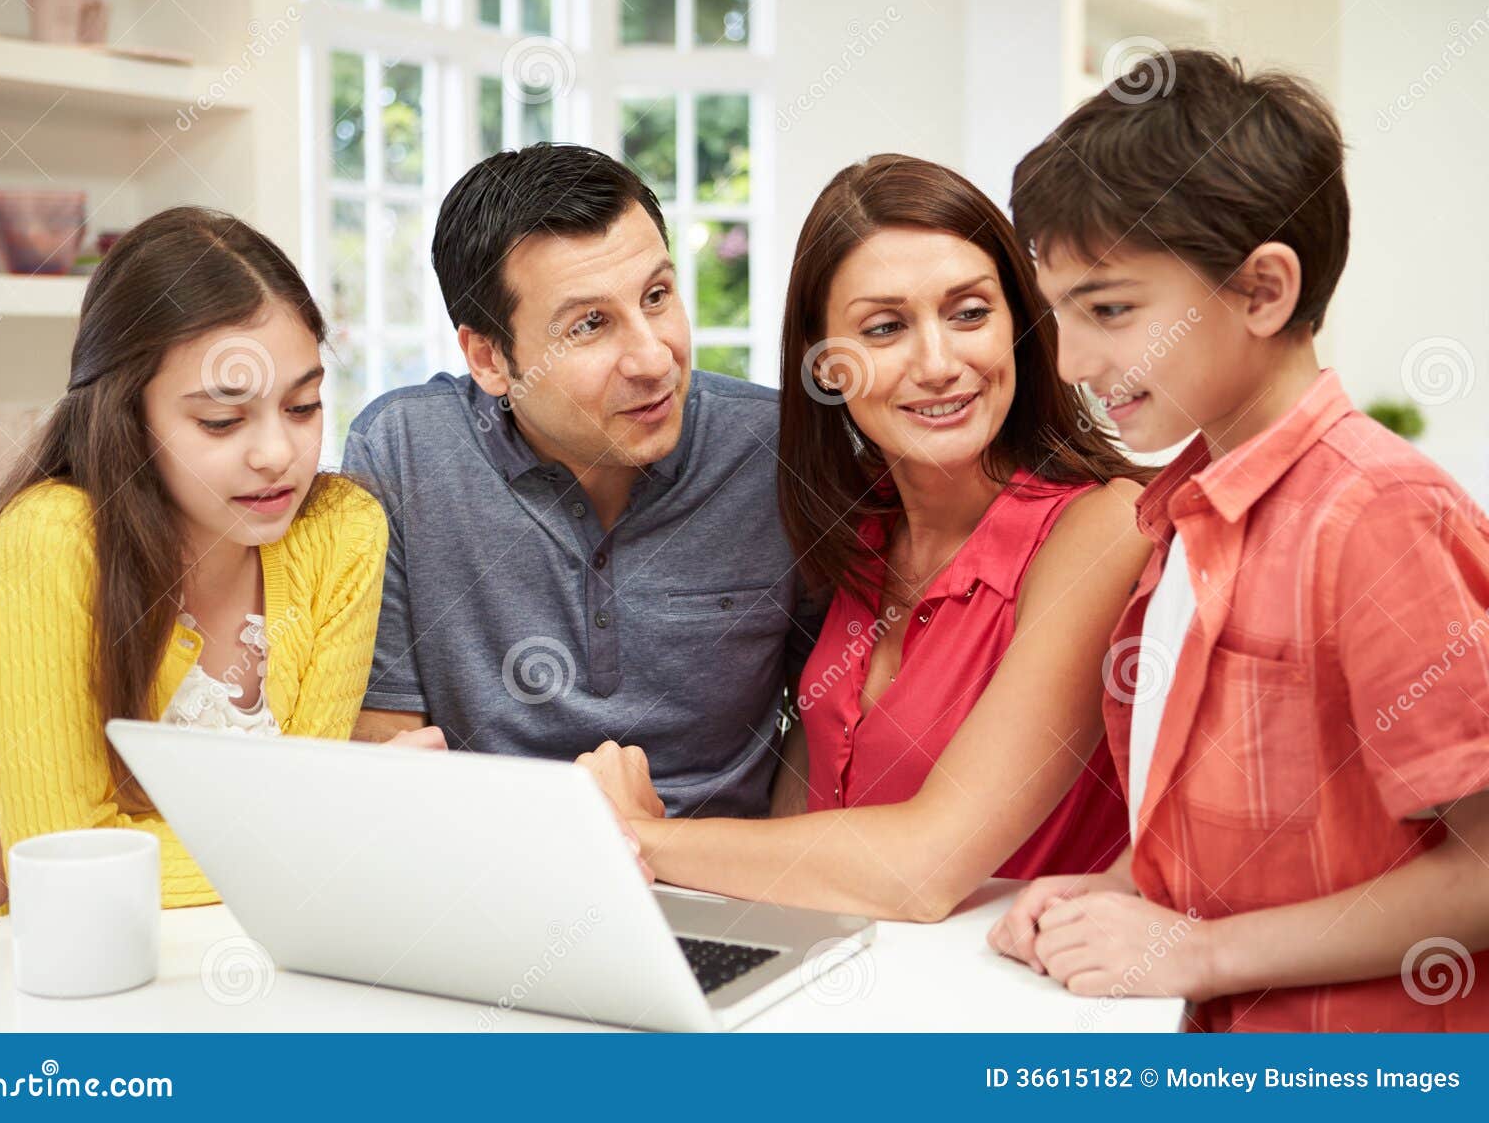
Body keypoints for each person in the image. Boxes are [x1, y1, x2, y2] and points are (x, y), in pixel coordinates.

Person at [990, 50, 1489, 1031]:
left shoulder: (1377, 513)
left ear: (1261, 290)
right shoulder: (1184, 514)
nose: (1074, 360)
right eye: (1060, 316)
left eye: (1110, 309)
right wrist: (1121, 888)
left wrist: (1202, 949)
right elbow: (1240, 821)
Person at [578, 154, 1152, 922]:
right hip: (853, 993)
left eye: (970, 312)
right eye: (884, 328)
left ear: (1021, 323)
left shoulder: (1103, 527)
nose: (939, 363)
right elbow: (800, 830)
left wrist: (645, 837)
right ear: (826, 366)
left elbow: (926, 865)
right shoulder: (855, 536)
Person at [0, 207, 422, 927]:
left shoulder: (342, 531)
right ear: (125, 414)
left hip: (267, 952)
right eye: (221, 421)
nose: (277, 453)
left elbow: (303, 818)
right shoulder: (48, 543)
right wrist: (344, 818)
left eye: (302, 405)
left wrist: (7, 861)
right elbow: (67, 858)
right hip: (80, 967)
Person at [343, 143, 824, 819]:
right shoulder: (402, 452)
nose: (655, 359)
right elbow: (389, 750)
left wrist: (777, 882)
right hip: (489, 881)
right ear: (488, 357)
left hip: (727, 888)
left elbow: (829, 712)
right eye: (590, 324)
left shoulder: (778, 449)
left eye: (657, 296)